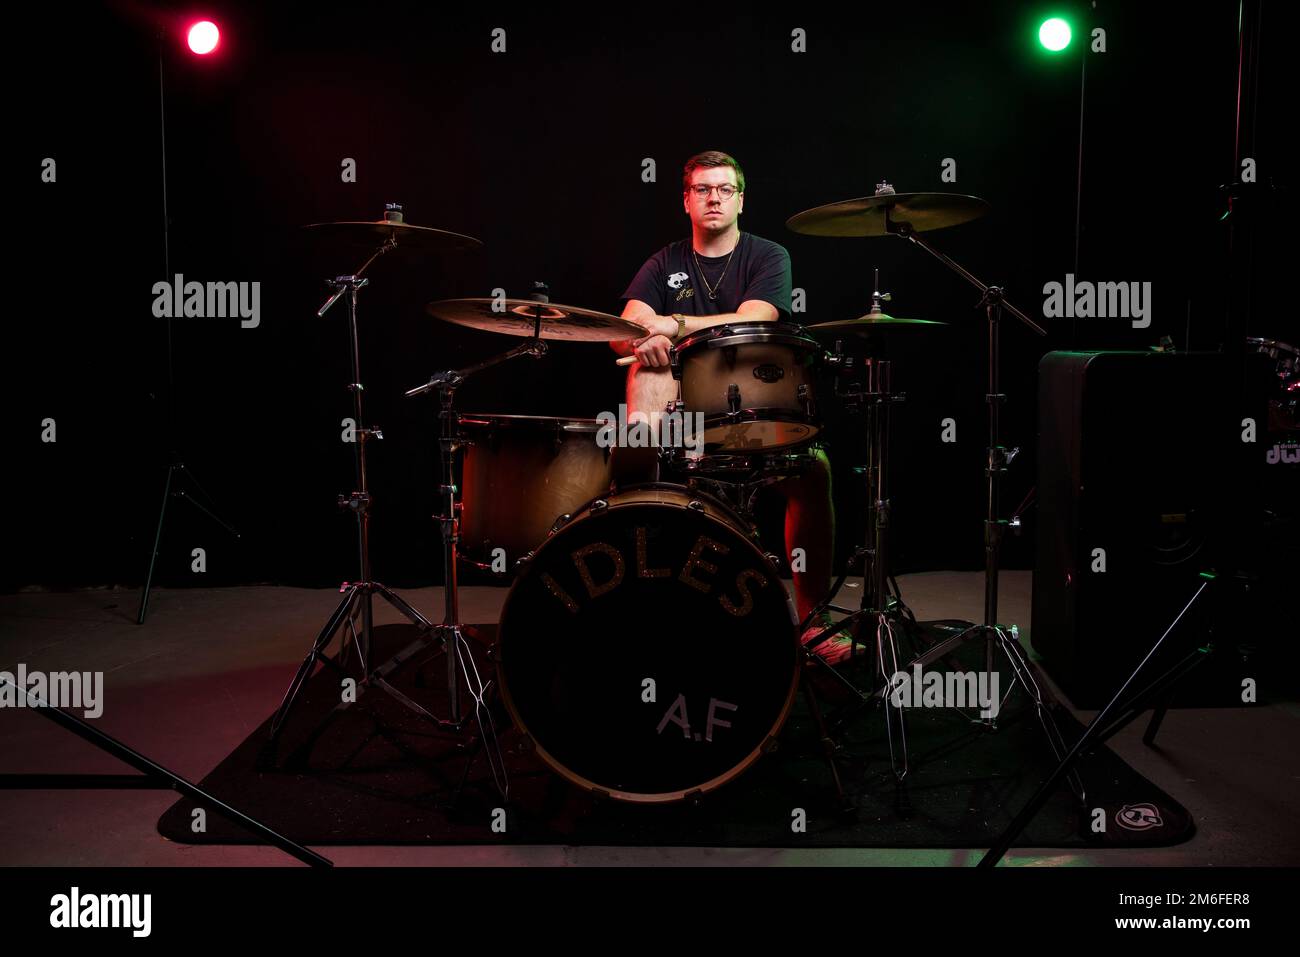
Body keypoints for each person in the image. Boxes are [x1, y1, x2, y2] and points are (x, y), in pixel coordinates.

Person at [611, 150, 855, 664]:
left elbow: (757, 319)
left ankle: (812, 621)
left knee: (815, 470)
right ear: (686, 200)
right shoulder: (665, 260)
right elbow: (627, 324)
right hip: (679, 419)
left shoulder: (768, 256)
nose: (714, 198)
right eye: (703, 190)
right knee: (644, 367)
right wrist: (642, 341)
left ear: (741, 199)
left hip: (751, 409)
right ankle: (639, 603)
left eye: (725, 189)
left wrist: (671, 327)